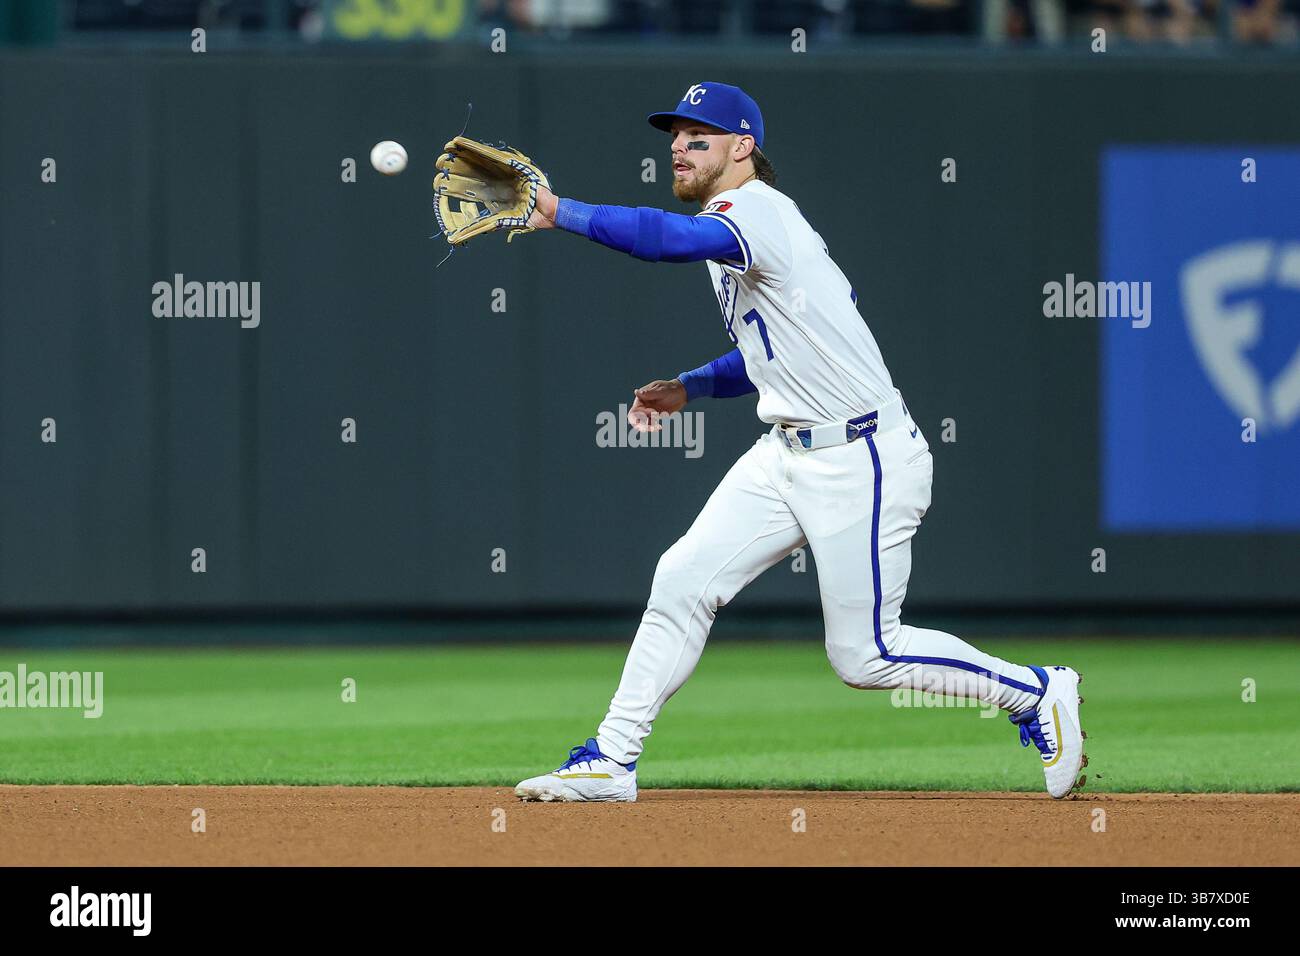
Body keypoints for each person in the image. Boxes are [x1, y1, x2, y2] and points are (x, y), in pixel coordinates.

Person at [513, 82, 1086, 802]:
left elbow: (667, 240)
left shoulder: (753, 212)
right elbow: (771, 355)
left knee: (866, 656)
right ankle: (611, 759)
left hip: (862, 455)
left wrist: (560, 212)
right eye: (674, 137)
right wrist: (690, 386)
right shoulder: (740, 231)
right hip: (786, 452)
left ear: (742, 146)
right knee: (683, 578)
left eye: (699, 136)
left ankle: (1035, 691)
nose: (679, 148)